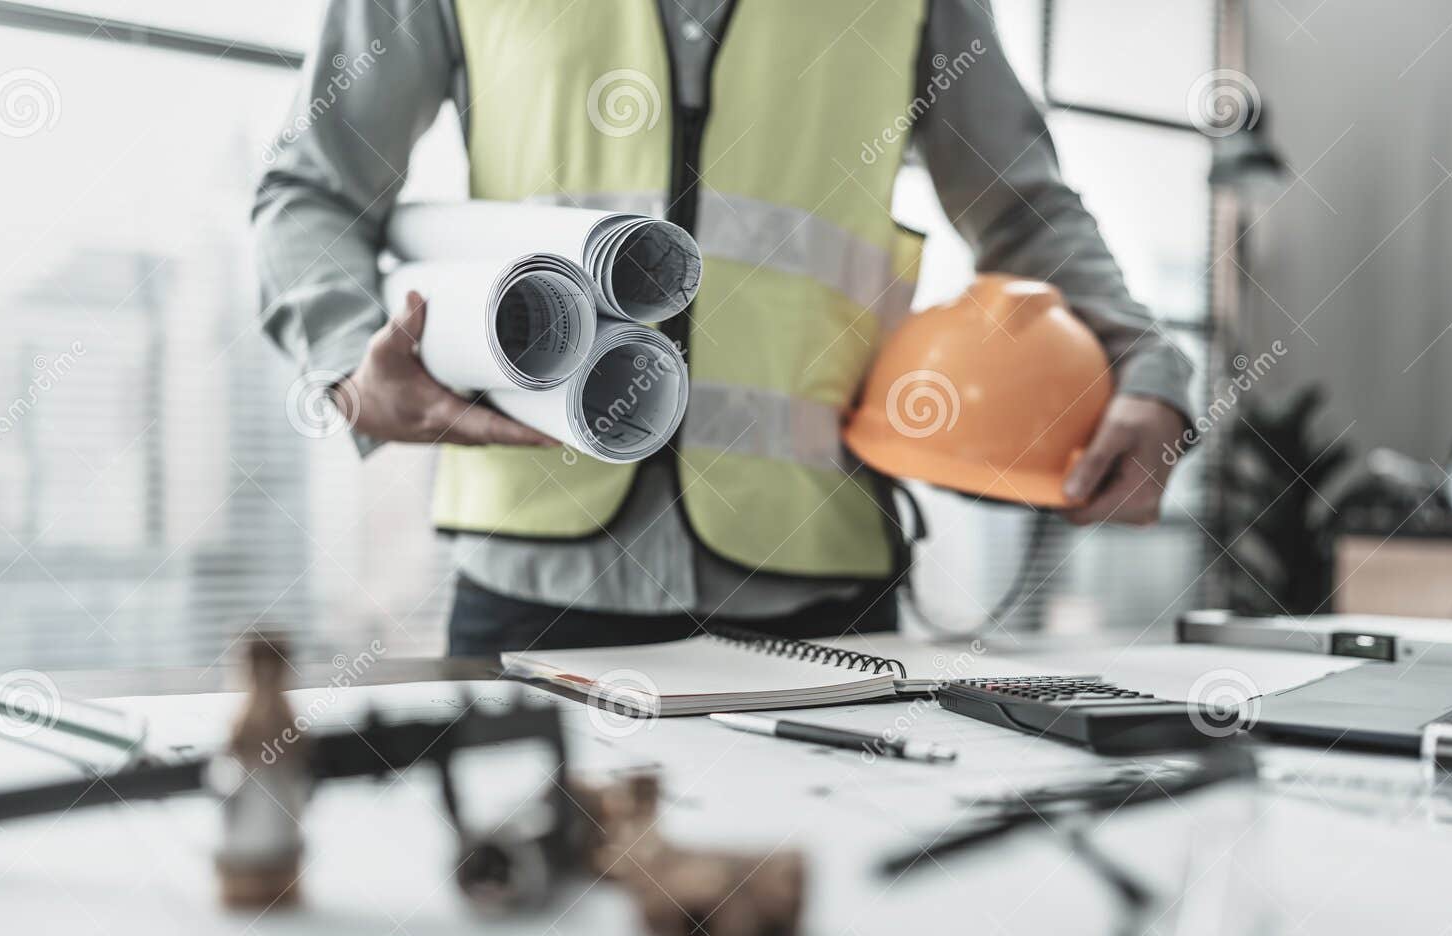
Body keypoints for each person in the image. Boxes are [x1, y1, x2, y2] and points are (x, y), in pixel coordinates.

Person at [253, 1, 1192, 655]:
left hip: (818, 591)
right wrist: (347, 361)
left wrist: (1145, 369)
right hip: (536, 593)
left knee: (820, 932)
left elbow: (1024, 210)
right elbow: (314, 188)